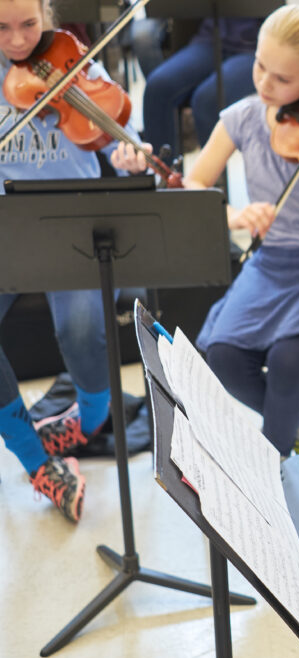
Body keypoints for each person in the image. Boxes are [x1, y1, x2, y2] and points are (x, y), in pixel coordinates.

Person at [114, 5, 299, 495]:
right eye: (259, 66)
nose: (264, 83)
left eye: (282, 78)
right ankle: (298, 425)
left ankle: (270, 479)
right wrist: (233, 215)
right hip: (272, 264)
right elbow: (194, 184)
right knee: (223, 357)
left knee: (288, 360)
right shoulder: (241, 118)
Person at [0, 0, 128, 522]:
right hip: (9, 222)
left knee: (80, 330)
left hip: (75, 216)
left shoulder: (77, 64)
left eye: (29, 25)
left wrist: (128, 154)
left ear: (48, 17)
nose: (16, 41)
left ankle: (90, 418)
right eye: (1, 28)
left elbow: (121, 139)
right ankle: (35, 460)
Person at [141, 17, 263, 156]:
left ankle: (211, 176)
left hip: (254, 47)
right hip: (210, 38)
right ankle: (162, 174)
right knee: (157, 87)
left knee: (207, 100)